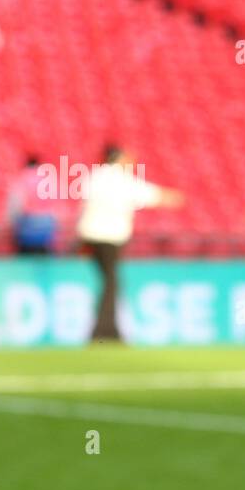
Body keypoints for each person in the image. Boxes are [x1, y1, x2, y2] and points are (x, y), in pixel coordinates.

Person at [77, 145, 184, 342]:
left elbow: (83, 205)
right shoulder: (120, 179)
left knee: (109, 281)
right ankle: (104, 331)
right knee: (111, 282)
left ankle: (108, 329)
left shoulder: (94, 177)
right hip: (110, 237)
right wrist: (174, 197)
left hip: (91, 235)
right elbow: (149, 194)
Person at [8, 154, 56, 255]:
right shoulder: (47, 178)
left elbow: (17, 203)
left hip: (28, 224)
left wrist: (13, 222)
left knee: (26, 256)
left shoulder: (23, 177)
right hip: (46, 225)